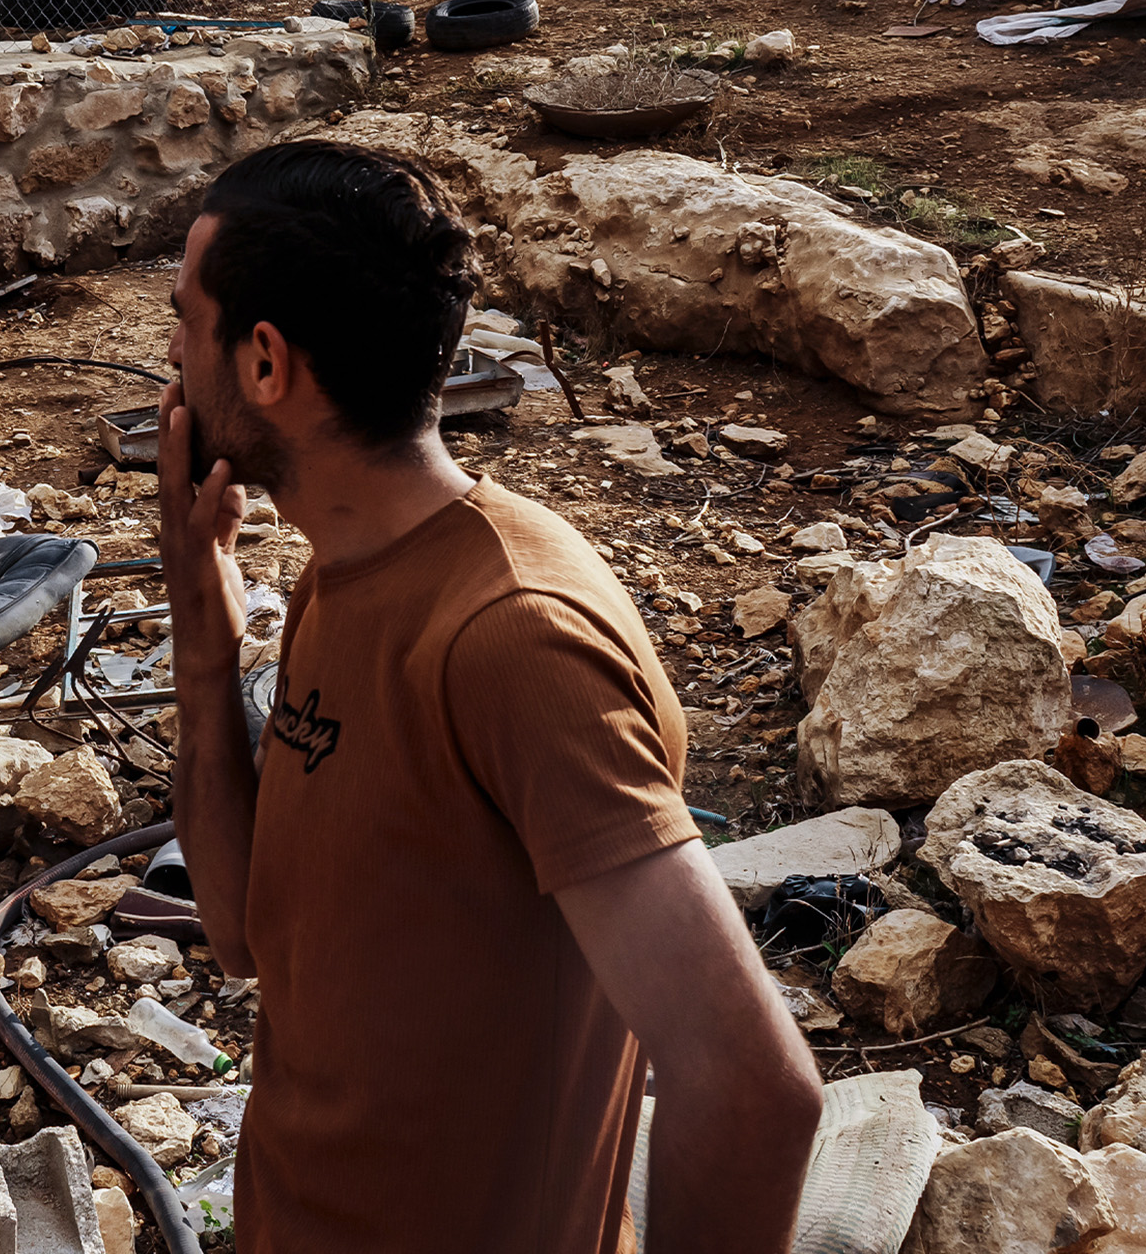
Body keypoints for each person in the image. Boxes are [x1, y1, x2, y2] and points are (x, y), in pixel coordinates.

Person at [156, 140, 824, 1253]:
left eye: (185, 319)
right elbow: (239, 932)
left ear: (265, 360)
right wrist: (202, 634)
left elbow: (754, 1086)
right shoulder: (345, 567)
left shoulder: (514, 638)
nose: (171, 358)